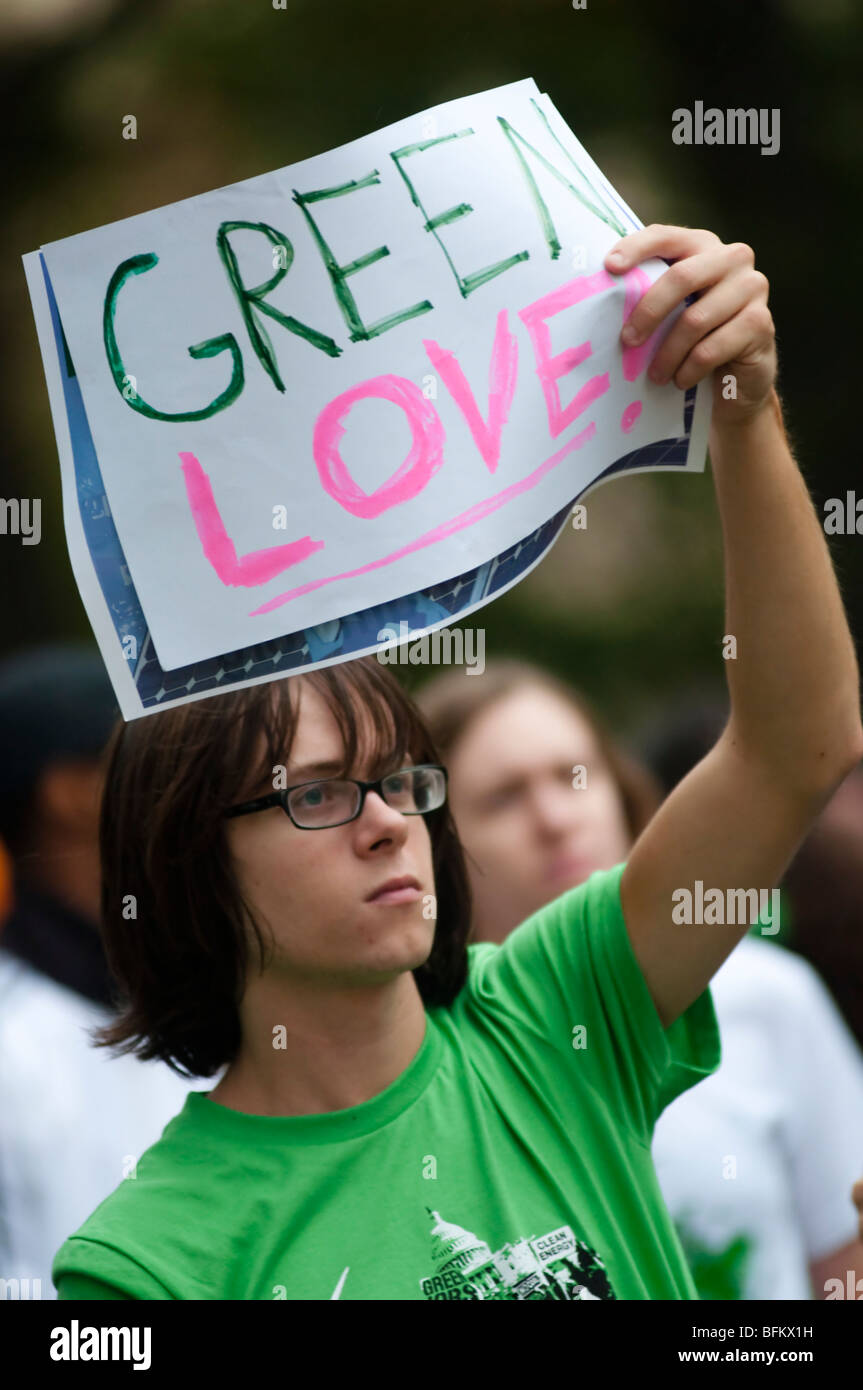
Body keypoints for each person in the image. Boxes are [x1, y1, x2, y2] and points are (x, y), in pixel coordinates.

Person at [50, 225, 863, 1301]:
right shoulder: (146, 1265)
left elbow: (793, 745)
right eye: (319, 794)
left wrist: (745, 415)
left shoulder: (552, 1009)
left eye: (399, 780)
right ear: (191, 863)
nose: (389, 821)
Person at [417, 662, 863, 1299]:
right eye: (503, 797)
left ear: (624, 795)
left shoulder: (768, 995)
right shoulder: (415, 1053)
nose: (554, 818)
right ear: (435, 848)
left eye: (575, 776)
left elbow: (846, 1270)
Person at [0, 644, 204, 1299]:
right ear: (67, 792)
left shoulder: (222, 994)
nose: (193, 776)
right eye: (155, 751)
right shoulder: (13, 1038)